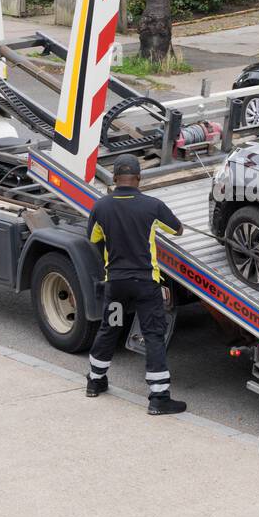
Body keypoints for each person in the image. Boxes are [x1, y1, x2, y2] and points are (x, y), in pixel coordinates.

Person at [84, 154, 186, 415]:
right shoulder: (152, 205)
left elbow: (93, 237)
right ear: (139, 179)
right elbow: (177, 229)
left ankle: (95, 381)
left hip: (117, 283)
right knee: (153, 334)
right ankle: (158, 397)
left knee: (111, 328)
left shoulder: (102, 206)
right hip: (144, 284)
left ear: (115, 179)